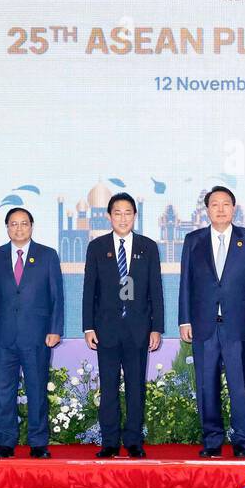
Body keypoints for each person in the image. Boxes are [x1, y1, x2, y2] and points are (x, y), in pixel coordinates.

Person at [178, 186, 245, 458]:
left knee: (239, 384)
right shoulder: (193, 240)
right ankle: (212, 440)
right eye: (214, 204)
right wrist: (184, 320)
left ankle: (242, 441)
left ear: (234, 208)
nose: (220, 209)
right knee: (207, 385)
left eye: (225, 203)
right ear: (207, 210)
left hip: (238, 323)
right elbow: (185, 284)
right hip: (203, 323)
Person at [82, 193, 164, 458]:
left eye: (128, 213)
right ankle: (109, 442)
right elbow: (89, 290)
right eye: (117, 213)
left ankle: (133, 441)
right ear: (109, 216)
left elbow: (156, 290)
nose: (123, 218)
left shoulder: (148, 247)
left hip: (138, 330)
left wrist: (156, 327)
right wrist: (88, 326)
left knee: (136, 387)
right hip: (106, 329)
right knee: (108, 388)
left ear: (135, 216)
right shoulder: (97, 247)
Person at [0, 207, 64, 459]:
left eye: (23, 223)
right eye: (13, 224)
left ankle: (38, 443)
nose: (19, 228)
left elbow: (56, 296)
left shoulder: (47, 255)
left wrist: (55, 329)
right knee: (4, 391)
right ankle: (5, 442)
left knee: (37, 389)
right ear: (7, 228)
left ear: (31, 226)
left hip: (37, 336)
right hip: (3, 337)